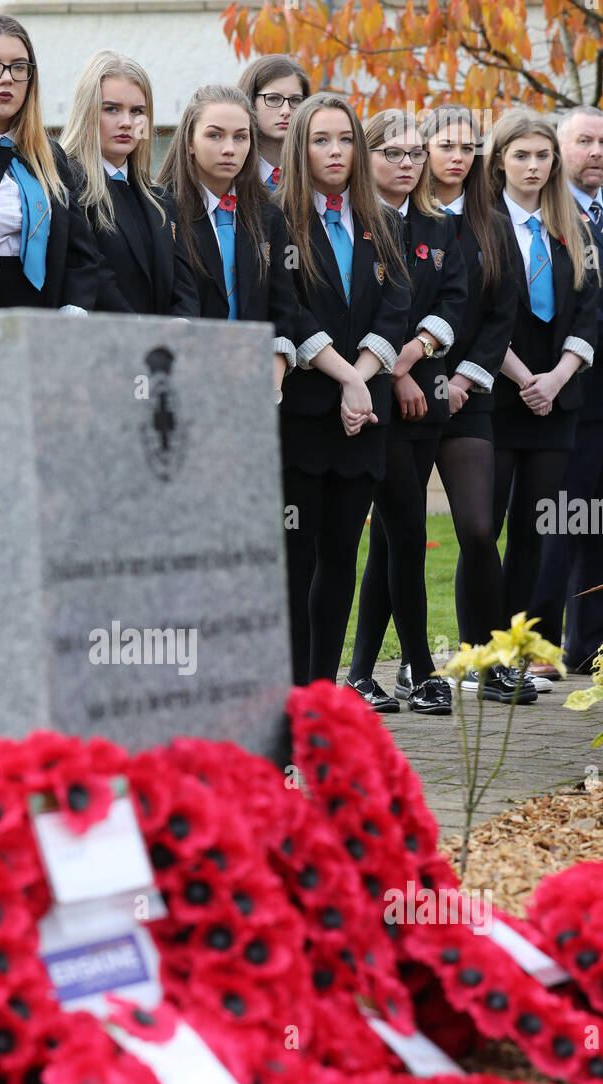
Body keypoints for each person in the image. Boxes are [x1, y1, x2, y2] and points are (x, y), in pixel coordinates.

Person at [276, 92, 411, 685]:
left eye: (346, 139)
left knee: (341, 560)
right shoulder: (276, 217)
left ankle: (322, 693)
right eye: (321, 140)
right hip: (303, 414)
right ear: (299, 147)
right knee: (296, 560)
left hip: (363, 420)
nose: (336, 152)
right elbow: (289, 309)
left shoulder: (379, 220)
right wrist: (348, 376)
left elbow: (395, 308)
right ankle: (288, 693)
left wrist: (364, 378)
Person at [347, 108, 467, 715]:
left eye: (414, 154)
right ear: (367, 157)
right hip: (367, 397)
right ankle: (421, 671)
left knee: (399, 535)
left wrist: (411, 359)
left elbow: (455, 299)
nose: (406, 163)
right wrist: (388, 373)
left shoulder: (440, 224)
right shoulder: (353, 220)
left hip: (424, 397)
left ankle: (365, 673)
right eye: (391, 152)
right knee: (404, 532)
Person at [419, 105, 531, 705]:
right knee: (397, 535)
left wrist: (467, 378)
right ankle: (383, 668)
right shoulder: (405, 214)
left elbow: (501, 311)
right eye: (446, 145)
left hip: (471, 395)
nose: (458, 157)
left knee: (481, 529)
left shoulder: (489, 222)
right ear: (425, 150)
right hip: (409, 392)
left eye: (469, 147)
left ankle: (491, 665)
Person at [488, 110, 598, 650]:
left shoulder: (573, 228)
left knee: (538, 530)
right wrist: (524, 377)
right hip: (498, 394)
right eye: (520, 155)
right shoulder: (479, 225)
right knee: (483, 532)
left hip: (558, 398)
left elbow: (589, 312)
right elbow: (477, 315)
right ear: (501, 160)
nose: (533, 166)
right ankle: (483, 652)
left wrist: (555, 379)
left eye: (541, 156)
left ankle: (520, 647)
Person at [157, 83, 304, 405]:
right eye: (214, 135)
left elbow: (283, 308)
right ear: (190, 143)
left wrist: (272, 383)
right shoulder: (162, 211)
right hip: (186, 388)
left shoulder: (269, 217)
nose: (229, 148)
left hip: (256, 388)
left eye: (240, 137)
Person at [0, 12, 99, 313]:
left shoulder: (50, 157)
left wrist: (73, 310)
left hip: (45, 319)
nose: (6, 78)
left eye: (19, 67)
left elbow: (82, 253)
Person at [531, 105, 603, 676]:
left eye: (602, 143)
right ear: (560, 149)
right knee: (555, 520)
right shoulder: (544, 220)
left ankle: (589, 647)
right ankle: (539, 648)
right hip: (559, 394)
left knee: (595, 523)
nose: (596, 152)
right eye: (584, 142)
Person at [61, 50, 198, 317]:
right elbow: (94, 276)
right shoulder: (66, 181)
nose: (126, 122)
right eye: (111, 109)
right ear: (87, 111)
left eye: (137, 111)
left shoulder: (160, 198)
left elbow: (183, 284)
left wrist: (180, 325)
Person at [237, 55, 309, 192]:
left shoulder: (314, 173)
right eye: (274, 99)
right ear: (250, 100)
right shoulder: (231, 172)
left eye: (295, 100)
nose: (286, 111)